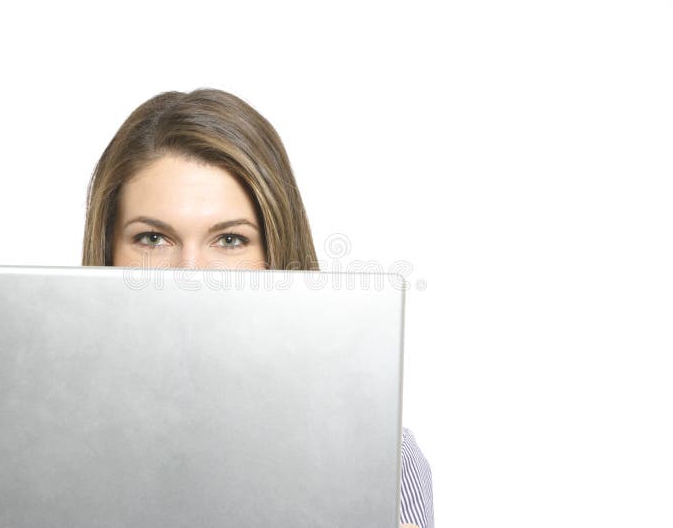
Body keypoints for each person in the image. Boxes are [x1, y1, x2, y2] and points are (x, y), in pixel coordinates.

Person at [81, 88, 434, 528]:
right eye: (153, 238)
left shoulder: (379, 460)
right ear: (108, 250)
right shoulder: (25, 447)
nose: (191, 275)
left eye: (230, 239)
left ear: (277, 255)